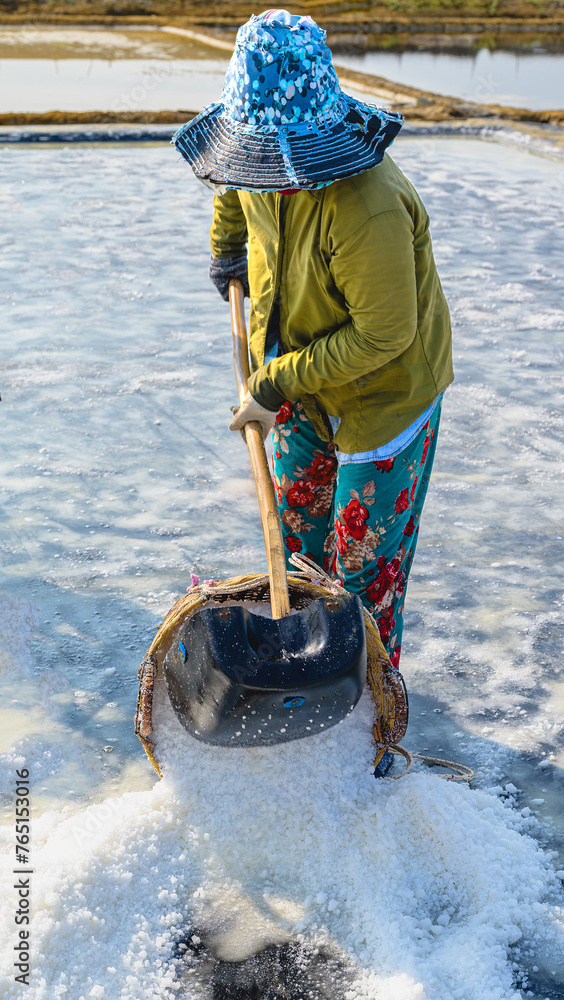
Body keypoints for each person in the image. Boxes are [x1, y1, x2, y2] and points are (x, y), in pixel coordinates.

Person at [173, 9, 452, 668]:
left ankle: (366, 715)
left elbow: (383, 333)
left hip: (381, 395)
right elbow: (231, 184)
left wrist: (270, 383)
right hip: (297, 369)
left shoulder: (368, 206)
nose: (263, 168)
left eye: (272, 156)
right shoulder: (255, 164)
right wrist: (228, 253)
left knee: (361, 574)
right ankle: (300, 677)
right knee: (297, 547)